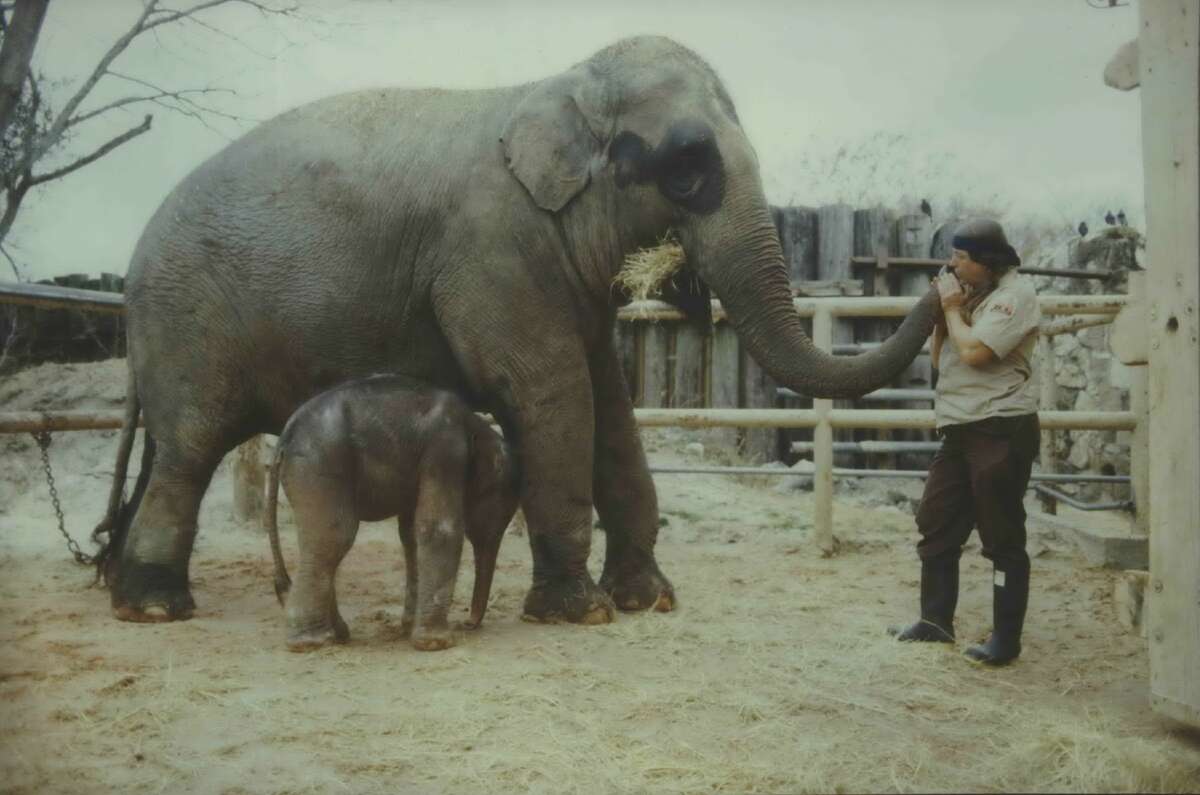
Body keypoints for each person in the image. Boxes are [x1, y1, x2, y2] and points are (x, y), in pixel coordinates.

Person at [889, 218, 1042, 666]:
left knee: (1002, 537)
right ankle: (935, 623)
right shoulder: (972, 294)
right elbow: (943, 358)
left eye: (960, 257)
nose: (950, 265)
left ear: (985, 262)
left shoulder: (1015, 297)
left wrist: (953, 310)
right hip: (960, 427)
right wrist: (942, 317)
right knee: (935, 522)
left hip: (1000, 427)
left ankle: (1006, 641)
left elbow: (975, 355)